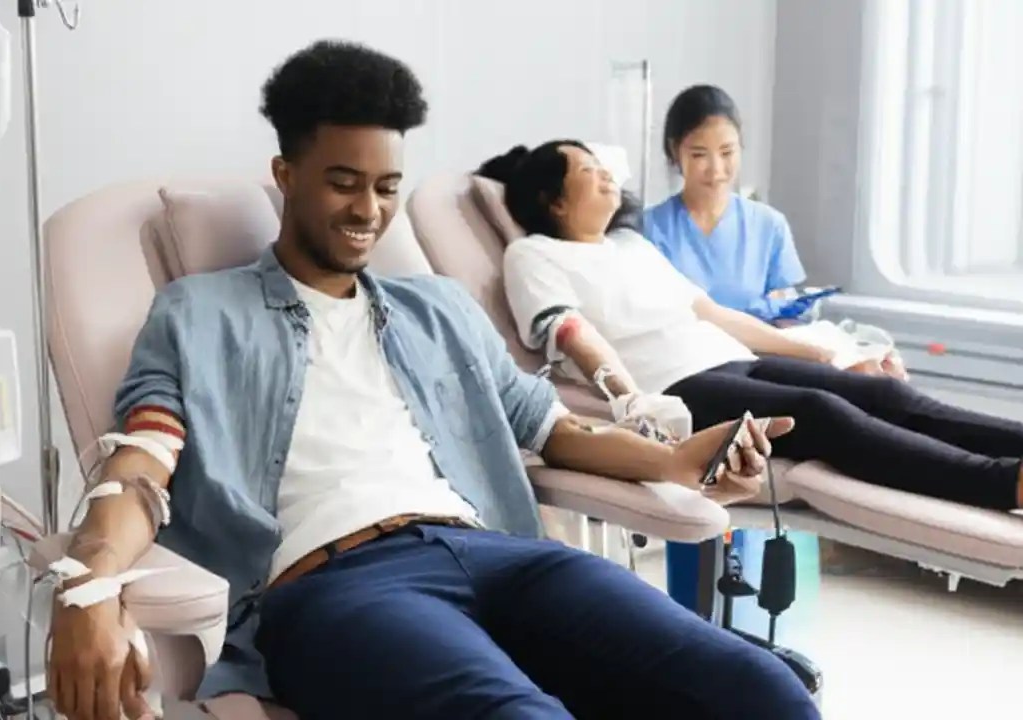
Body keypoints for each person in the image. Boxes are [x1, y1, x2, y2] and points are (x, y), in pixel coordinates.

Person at [46, 41, 818, 720]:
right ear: (285, 174)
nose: (370, 211)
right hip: (337, 587)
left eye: (386, 187)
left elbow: (549, 427)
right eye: (343, 182)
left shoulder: (437, 308)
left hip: (498, 556)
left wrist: (677, 460)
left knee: (761, 688)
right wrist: (89, 585)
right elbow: (139, 467)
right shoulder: (198, 314)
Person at [481, 139, 1023, 520]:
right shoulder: (533, 254)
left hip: (727, 354)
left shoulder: (632, 247)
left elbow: (711, 313)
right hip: (676, 382)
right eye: (588, 171)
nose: (606, 175)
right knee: (818, 414)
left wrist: (813, 353)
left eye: (604, 167)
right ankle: (1003, 482)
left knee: (881, 391)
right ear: (554, 200)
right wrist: (630, 399)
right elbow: (571, 331)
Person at [642, 85, 810, 324]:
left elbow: (787, 312)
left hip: (760, 354)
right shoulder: (649, 230)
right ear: (674, 151)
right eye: (699, 155)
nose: (716, 170)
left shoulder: (769, 226)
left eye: (727, 152)